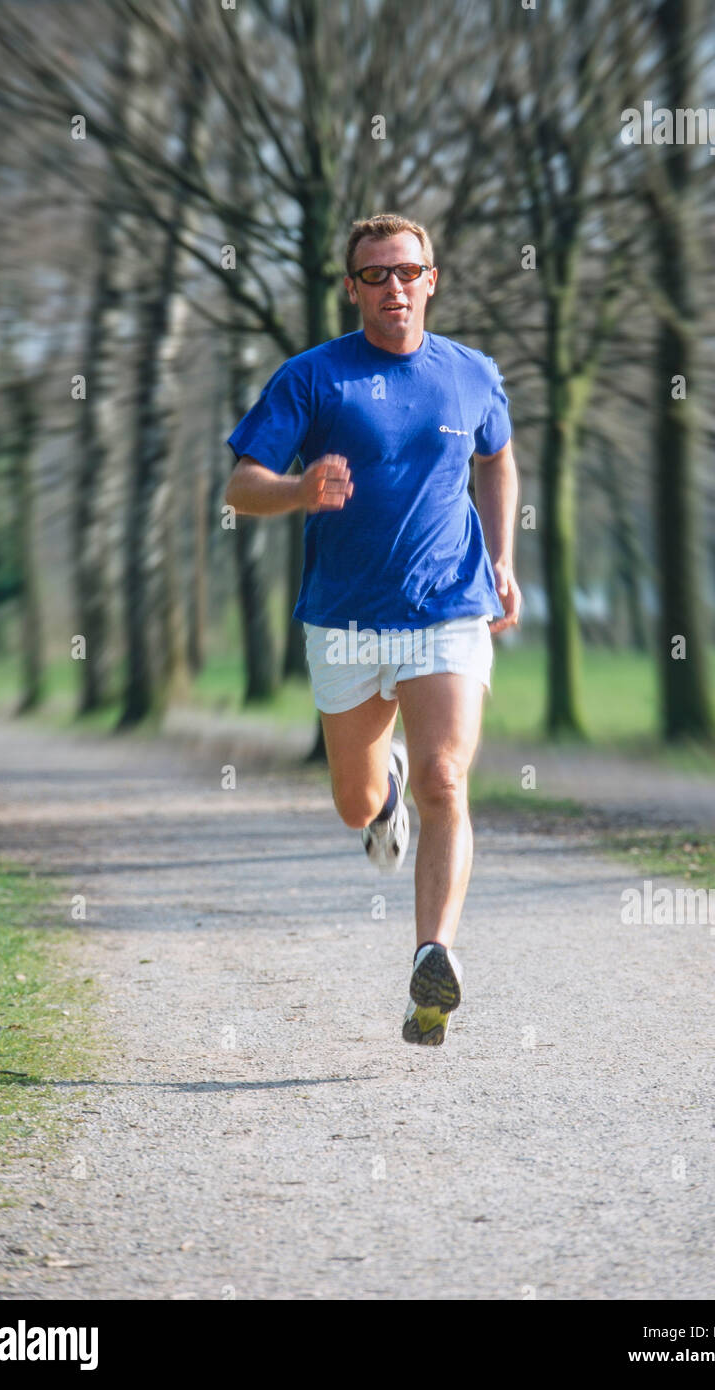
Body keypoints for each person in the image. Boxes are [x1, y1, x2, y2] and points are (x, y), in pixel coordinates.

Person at [224, 213, 521, 1046]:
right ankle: (379, 796)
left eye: (408, 271)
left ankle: (434, 960)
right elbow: (241, 487)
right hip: (345, 619)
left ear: (433, 279)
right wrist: (299, 490)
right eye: (376, 275)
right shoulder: (313, 379)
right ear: (351, 288)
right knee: (358, 803)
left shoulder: (471, 375)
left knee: (446, 780)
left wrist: (501, 557)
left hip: (446, 607)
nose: (394, 287)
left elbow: (496, 457)